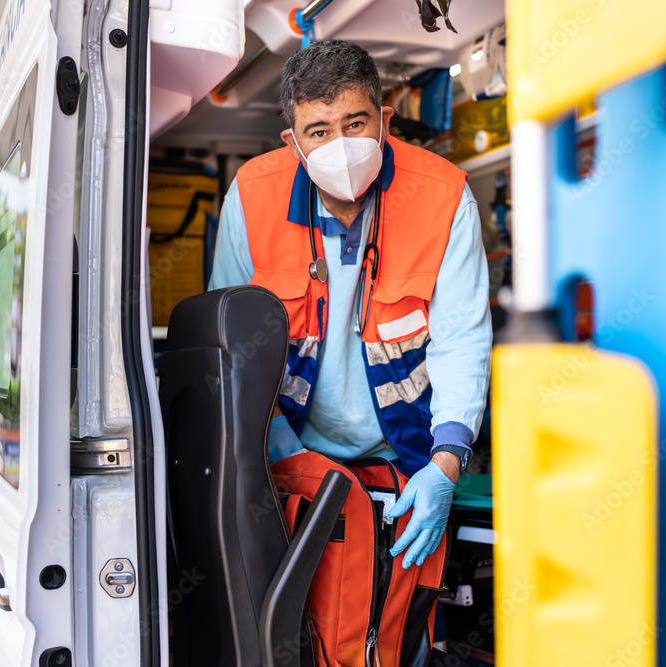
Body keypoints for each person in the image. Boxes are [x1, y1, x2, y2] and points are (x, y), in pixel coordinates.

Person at [209, 39, 491, 571]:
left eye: (356, 123)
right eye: (319, 131)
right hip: (286, 449)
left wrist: (447, 462)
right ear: (293, 143)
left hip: (406, 454)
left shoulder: (443, 194)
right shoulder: (251, 195)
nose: (341, 144)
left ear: (385, 119)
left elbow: (462, 339)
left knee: (403, 617)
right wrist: (280, 449)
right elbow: (229, 350)